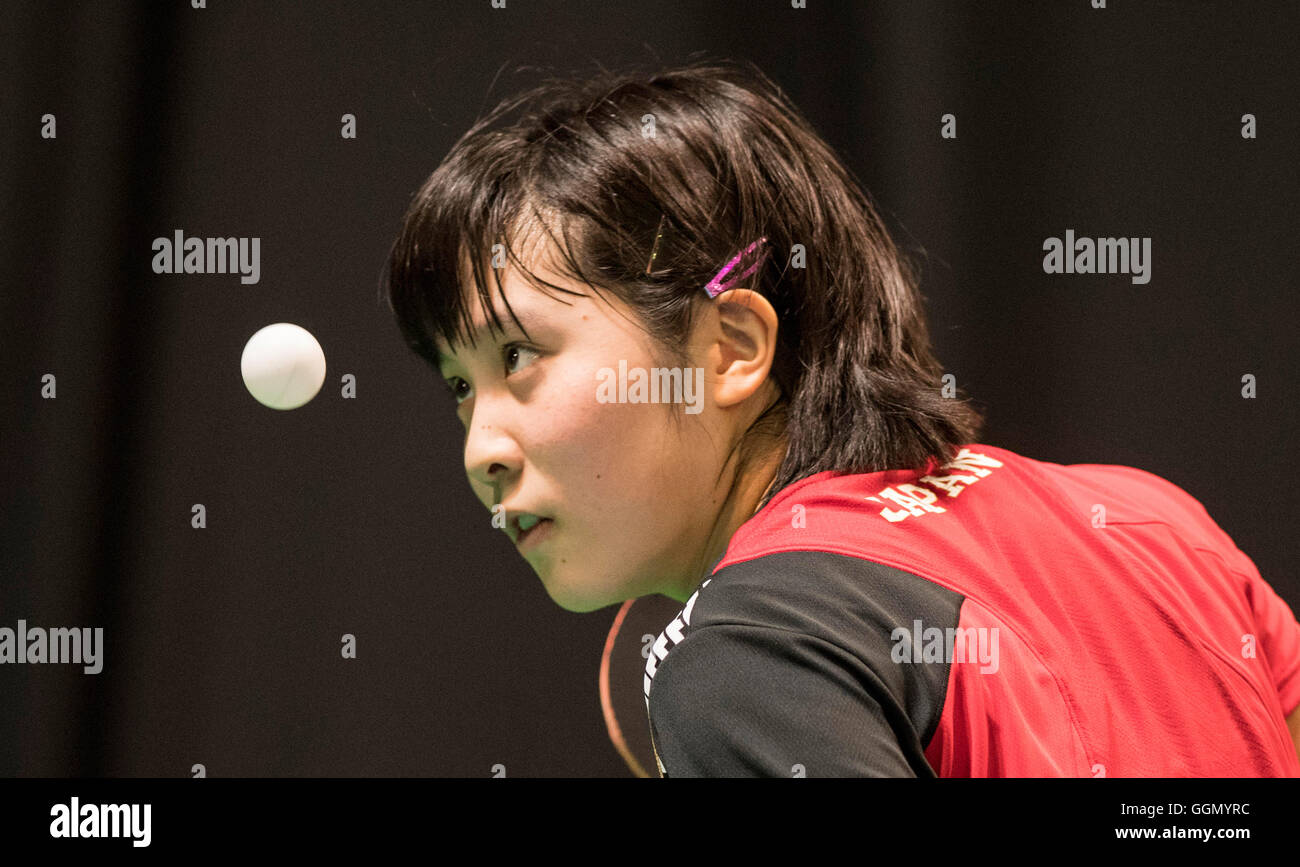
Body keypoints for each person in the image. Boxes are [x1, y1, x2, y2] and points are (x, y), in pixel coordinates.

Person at [380, 60, 1300, 777]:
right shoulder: (1144, 516)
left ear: (730, 347)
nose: (481, 450)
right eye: (459, 385)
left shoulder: (748, 656)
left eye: (519, 357)